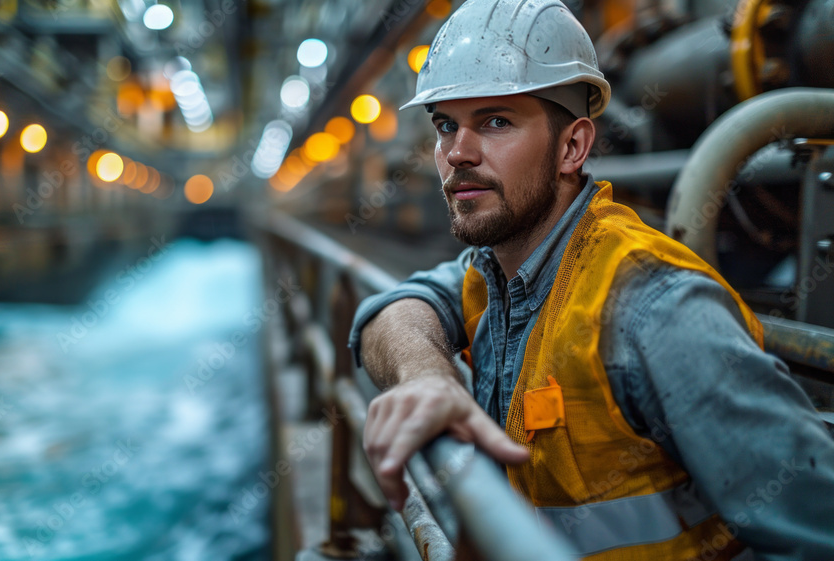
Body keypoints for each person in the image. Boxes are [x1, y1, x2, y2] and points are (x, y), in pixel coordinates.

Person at [348, 0, 834, 559]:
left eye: (495, 121)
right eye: (445, 126)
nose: (458, 153)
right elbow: (394, 309)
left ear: (572, 146)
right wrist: (423, 377)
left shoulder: (656, 309)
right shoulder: (496, 271)